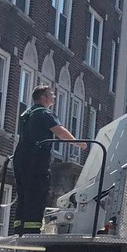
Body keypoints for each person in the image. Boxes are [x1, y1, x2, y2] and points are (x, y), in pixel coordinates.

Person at [13, 85, 84, 235]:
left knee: (24, 194)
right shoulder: (44, 113)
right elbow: (60, 132)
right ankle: (32, 230)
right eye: (51, 94)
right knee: (37, 193)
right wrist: (78, 143)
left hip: (21, 158)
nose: (54, 97)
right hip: (36, 160)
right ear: (44, 97)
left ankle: (19, 228)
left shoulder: (27, 113)